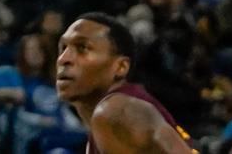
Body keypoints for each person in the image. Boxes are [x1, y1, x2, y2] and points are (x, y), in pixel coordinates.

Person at [54, 14, 193, 154]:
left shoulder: (114, 112)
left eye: (82, 47)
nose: (63, 59)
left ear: (121, 67)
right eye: (63, 48)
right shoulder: (117, 114)